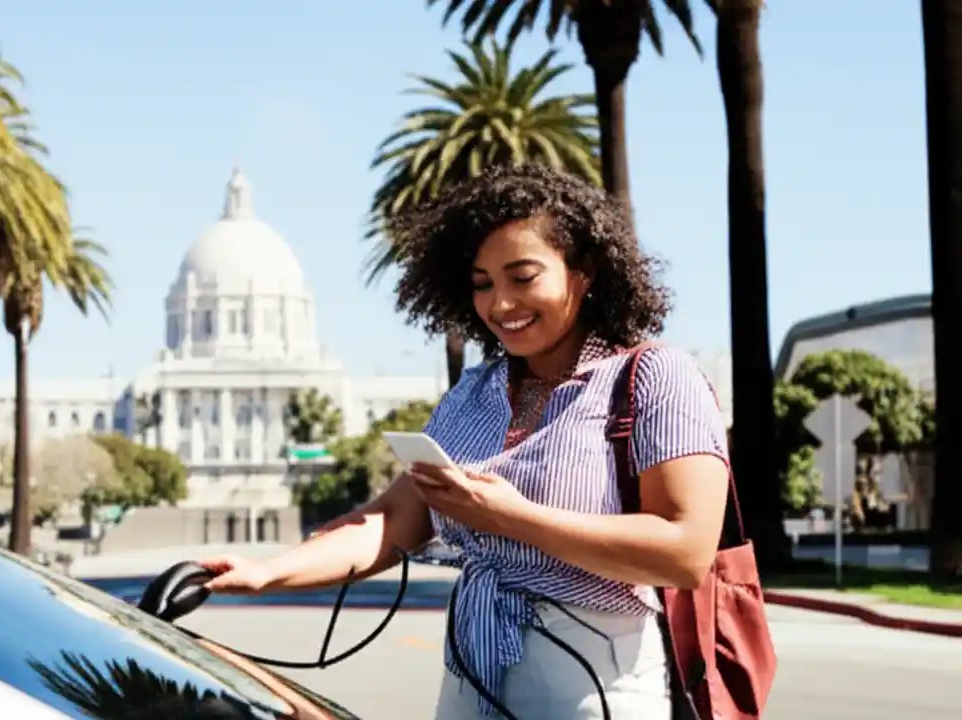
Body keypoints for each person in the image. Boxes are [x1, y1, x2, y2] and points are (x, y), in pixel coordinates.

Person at [198, 163, 730, 719]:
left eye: (523, 278)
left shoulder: (656, 377)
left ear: (585, 272)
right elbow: (394, 520)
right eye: (482, 285)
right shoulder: (473, 392)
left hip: (595, 688)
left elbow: (685, 550)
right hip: (469, 684)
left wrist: (510, 516)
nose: (500, 304)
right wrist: (268, 572)